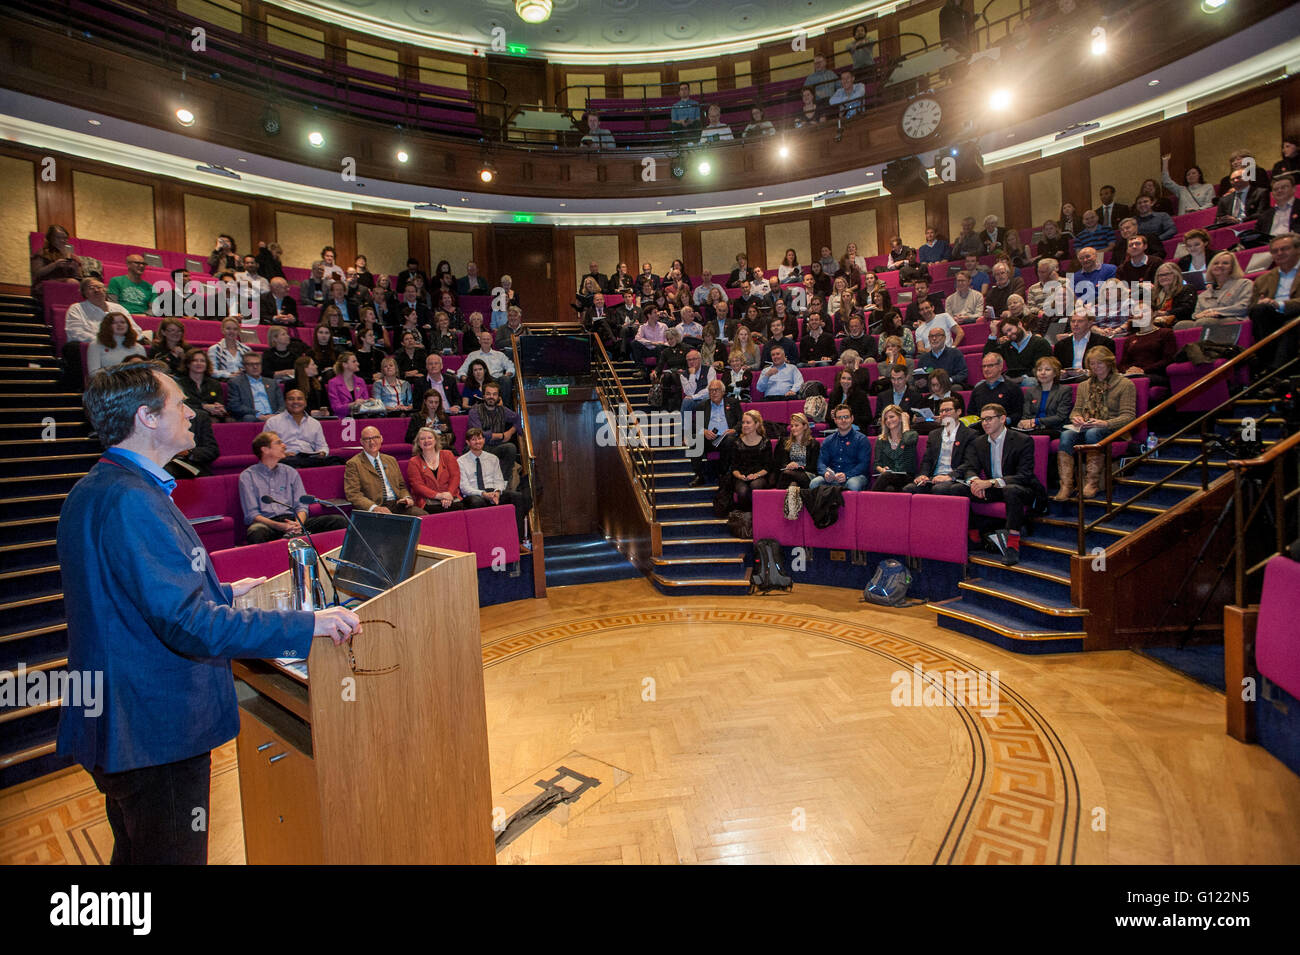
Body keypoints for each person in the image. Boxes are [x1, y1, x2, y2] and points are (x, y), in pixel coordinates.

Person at [59, 362, 359, 864]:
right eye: (179, 402)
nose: (190, 410)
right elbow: (186, 625)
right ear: (147, 417)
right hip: (154, 729)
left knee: (135, 855)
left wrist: (219, 590)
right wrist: (307, 625)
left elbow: (126, 595)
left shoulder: (98, 487)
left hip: (118, 723)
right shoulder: (134, 500)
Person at [936, 403, 1045, 566]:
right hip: (992, 488)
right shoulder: (979, 442)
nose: (985, 423)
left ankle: (1012, 544)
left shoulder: (1023, 440)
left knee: (1011, 490)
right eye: (983, 419)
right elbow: (970, 468)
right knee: (957, 488)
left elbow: (1024, 476)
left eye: (989, 419)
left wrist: (990, 483)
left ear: (1002, 419)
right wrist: (975, 482)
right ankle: (974, 536)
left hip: (1021, 488)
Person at [238, 431, 348, 544]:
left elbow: (301, 505)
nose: (284, 445)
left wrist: (298, 524)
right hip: (269, 524)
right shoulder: (248, 476)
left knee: (338, 521)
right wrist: (280, 526)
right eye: (278, 443)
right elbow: (252, 515)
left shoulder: (290, 472)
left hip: (294, 520)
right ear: (265, 449)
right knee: (255, 531)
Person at [1057, 346, 1136, 500]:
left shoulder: (1125, 384)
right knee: (1066, 435)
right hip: (1087, 425)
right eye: (1092, 364)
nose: (1095, 367)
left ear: (1109, 363)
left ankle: (1091, 483)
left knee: (1093, 433)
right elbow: (1076, 410)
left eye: (1099, 363)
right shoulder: (1084, 385)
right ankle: (1066, 485)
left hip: (1112, 428)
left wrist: (1104, 423)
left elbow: (1128, 416)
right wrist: (1076, 418)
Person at [458, 428, 529, 538]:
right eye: (473, 439)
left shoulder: (492, 458)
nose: (477, 442)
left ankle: (517, 539)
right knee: (475, 502)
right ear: (468, 442)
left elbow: (499, 480)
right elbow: (464, 487)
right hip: (475, 494)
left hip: (492, 491)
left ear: (484, 440)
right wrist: (483, 494)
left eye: (480, 438)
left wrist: (497, 492)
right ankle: (482, 538)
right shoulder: (461, 461)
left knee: (517, 497)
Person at [1247, 232, 1300, 373]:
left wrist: (1280, 304)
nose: (1279, 253)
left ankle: (1275, 373)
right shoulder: (1263, 279)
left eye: (1285, 249)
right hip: (1270, 316)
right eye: (1275, 251)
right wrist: (1262, 303)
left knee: (1290, 325)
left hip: (1296, 314)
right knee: (1259, 310)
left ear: (1298, 249)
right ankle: (1267, 368)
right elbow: (1251, 308)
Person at [344, 426, 427, 516]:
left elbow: (401, 486)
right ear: (361, 442)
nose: (372, 442)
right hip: (374, 507)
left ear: (381, 439)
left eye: (375, 437)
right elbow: (353, 494)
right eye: (367, 439)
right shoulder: (353, 464)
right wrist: (374, 508)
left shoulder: (391, 460)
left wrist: (406, 498)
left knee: (423, 517)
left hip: (397, 505)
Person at [902, 396, 973, 494]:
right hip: (934, 477)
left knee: (939, 489)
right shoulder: (934, 434)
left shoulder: (969, 434)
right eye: (941, 411)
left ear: (958, 412)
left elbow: (969, 463)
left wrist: (949, 476)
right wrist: (923, 475)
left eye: (947, 410)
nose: (944, 414)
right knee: (909, 488)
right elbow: (927, 460)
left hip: (955, 478)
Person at [1178, 251, 1253, 338]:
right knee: (1181, 325)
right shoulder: (1204, 294)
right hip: (1206, 320)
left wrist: (1216, 312)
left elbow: (1244, 307)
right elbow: (1196, 314)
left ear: (1232, 267)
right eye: (1216, 263)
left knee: (1205, 322)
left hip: (1234, 318)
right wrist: (1199, 315)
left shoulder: (1244, 284)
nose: (1219, 266)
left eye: (1225, 263)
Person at [264, 389, 341, 468]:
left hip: (310, 458)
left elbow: (322, 446)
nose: (295, 402)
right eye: (291, 399)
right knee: (289, 464)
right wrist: (282, 454)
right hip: (286, 458)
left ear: (305, 402)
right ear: (285, 402)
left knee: (335, 461)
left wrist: (322, 453)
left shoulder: (314, 423)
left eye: (299, 399)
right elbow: (267, 447)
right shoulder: (273, 422)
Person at [719, 411, 773, 510]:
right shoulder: (737, 443)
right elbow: (734, 467)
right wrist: (740, 476)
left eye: (748, 423)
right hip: (741, 476)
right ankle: (746, 515)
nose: (744, 425)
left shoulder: (765, 442)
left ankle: (757, 514)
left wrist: (756, 475)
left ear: (756, 424)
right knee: (742, 491)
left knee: (755, 485)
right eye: (743, 423)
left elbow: (768, 467)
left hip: (760, 475)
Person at [811, 405, 871, 491]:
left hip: (855, 476)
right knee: (815, 483)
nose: (843, 420)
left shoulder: (862, 439)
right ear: (835, 420)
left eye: (846, 417)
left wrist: (846, 475)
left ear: (852, 418)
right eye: (840, 418)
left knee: (853, 485)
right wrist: (825, 473)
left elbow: (864, 464)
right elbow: (821, 462)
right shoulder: (828, 440)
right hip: (833, 477)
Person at [466, 382, 520, 477]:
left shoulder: (502, 410)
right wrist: (501, 435)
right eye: (488, 394)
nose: (491, 397)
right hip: (480, 446)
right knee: (474, 449)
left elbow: (518, 419)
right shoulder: (475, 411)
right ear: (483, 395)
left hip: (497, 446)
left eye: (494, 394)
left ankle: (503, 483)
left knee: (510, 448)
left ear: (499, 397)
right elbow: (479, 434)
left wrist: (510, 432)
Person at [406, 427, 463, 512]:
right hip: (427, 499)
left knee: (457, 506)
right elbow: (417, 486)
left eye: (430, 438)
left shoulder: (447, 455)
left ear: (436, 440)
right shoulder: (414, 461)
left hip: (449, 496)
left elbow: (455, 476)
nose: (426, 441)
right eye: (422, 439)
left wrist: (448, 494)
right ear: (418, 443)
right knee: (436, 509)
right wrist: (439, 496)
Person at [1017, 356, 1071, 437]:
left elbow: (1060, 417)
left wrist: (1036, 421)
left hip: (1054, 428)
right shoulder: (1030, 391)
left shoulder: (1064, 390)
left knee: (1028, 437)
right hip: (1034, 428)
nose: (1042, 372)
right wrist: (1024, 423)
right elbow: (1026, 415)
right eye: (1039, 370)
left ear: (1055, 373)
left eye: (1047, 370)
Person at [31, 224, 83, 308]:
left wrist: (75, 268)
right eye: (58, 238)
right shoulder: (43, 253)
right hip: (47, 285)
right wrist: (55, 265)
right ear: (50, 239)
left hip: (69, 284)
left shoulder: (72, 256)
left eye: (65, 238)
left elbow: (79, 277)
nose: (63, 240)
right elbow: (37, 273)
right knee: (72, 283)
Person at [870, 405, 919, 491]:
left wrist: (905, 423)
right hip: (888, 478)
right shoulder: (881, 439)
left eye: (892, 417)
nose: (888, 420)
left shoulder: (912, 435)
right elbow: (876, 464)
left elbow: (907, 440)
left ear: (900, 418)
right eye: (885, 419)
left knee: (887, 476)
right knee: (889, 488)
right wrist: (881, 470)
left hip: (906, 476)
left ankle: (868, 500)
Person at [991, 313, 1051, 383]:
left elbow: (1043, 369)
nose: (1009, 334)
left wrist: (1020, 379)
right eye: (1006, 333)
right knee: (983, 384)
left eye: (1010, 330)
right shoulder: (1007, 346)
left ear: (1019, 324)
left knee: (1029, 382)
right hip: (1012, 381)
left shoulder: (1040, 343)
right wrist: (993, 335)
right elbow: (988, 357)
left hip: (1034, 379)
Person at [226, 352, 285, 422]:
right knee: (248, 418)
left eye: (258, 364)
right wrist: (258, 414)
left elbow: (282, 404)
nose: (255, 367)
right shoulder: (236, 383)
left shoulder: (272, 382)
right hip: (253, 415)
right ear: (244, 367)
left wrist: (276, 415)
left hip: (274, 416)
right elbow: (234, 405)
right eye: (251, 364)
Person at [772, 413, 821, 490]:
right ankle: (793, 500)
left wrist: (798, 466)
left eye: (796, 425)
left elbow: (813, 467)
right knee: (793, 485)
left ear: (804, 426)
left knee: (787, 474)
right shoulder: (785, 442)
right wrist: (788, 465)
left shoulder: (813, 444)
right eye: (792, 426)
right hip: (789, 476)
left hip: (806, 475)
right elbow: (782, 464)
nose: (793, 428)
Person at [176, 348, 228, 420]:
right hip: (190, 417)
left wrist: (218, 408)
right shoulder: (180, 384)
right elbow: (182, 404)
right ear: (188, 364)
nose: (199, 363)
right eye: (195, 360)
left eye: (202, 361)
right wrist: (204, 406)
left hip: (212, 416)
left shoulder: (214, 384)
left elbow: (219, 402)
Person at [1152, 261, 1197, 327]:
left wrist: (1166, 313)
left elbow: (1187, 308)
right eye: (1160, 275)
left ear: (1176, 274)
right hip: (1157, 322)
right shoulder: (1154, 294)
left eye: (1167, 274)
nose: (1163, 277)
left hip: (1178, 321)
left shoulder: (1186, 289)